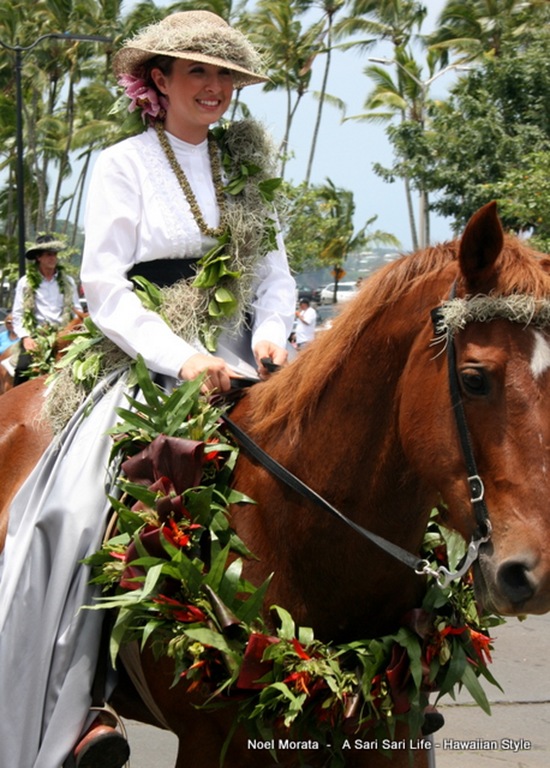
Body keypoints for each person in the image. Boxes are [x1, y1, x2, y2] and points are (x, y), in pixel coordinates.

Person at [0, 11, 295, 768]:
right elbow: (103, 284)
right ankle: (83, 704)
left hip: (246, 359)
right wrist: (183, 355)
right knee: (69, 512)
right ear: (158, 80)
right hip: (143, 359)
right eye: (199, 71)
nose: (216, 88)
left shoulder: (249, 171)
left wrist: (272, 332)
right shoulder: (122, 163)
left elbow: (274, 272)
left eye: (226, 75)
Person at [11, 234, 81, 385]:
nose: (53, 258)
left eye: (55, 254)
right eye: (49, 254)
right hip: (37, 336)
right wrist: (26, 338)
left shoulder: (67, 281)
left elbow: (77, 308)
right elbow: (18, 314)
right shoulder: (25, 282)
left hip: (64, 335)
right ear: (38, 257)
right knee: (22, 368)